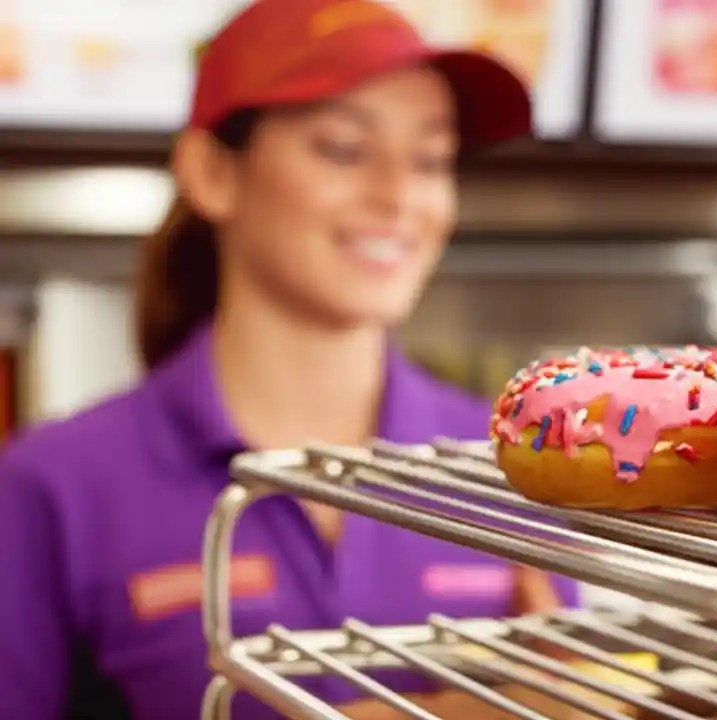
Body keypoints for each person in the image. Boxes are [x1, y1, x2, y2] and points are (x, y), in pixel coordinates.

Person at [0, 0, 578, 717]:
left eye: (431, 159)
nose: (401, 196)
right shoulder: (49, 489)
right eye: (343, 148)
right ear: (212, 172)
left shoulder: (512, 473)